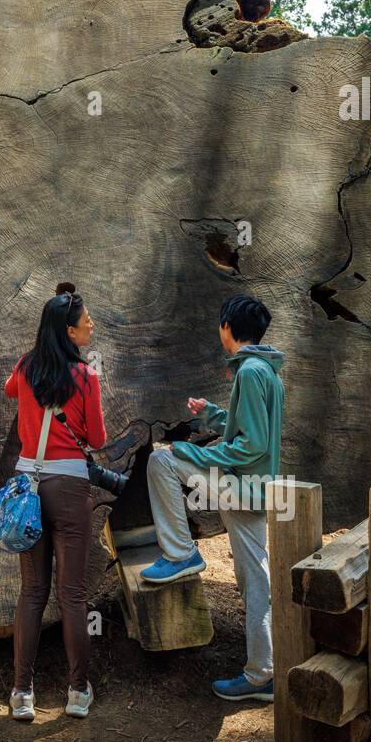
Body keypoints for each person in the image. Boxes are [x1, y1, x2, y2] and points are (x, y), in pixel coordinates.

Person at [141, 295, 285, 704]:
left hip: (240, 486)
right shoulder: (265, 371)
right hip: (256, 490)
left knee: (162, 460)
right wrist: (213, 415)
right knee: (255, 577)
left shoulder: (251, 372)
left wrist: (192, 452)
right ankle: (263, 674)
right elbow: (253, 430)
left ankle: (181, 552)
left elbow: (250, 446)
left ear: (227, 327)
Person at [4, 281, 107, 722]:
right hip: (69, 486)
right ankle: (77, 691)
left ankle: (22, 693)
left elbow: (10, 389)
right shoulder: (85, 377)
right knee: (73, 594)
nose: (91, 327)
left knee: (32, 591)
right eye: (86, 323)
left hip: (28, 483)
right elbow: (97, 438)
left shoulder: (27, 368)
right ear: (68, 332)